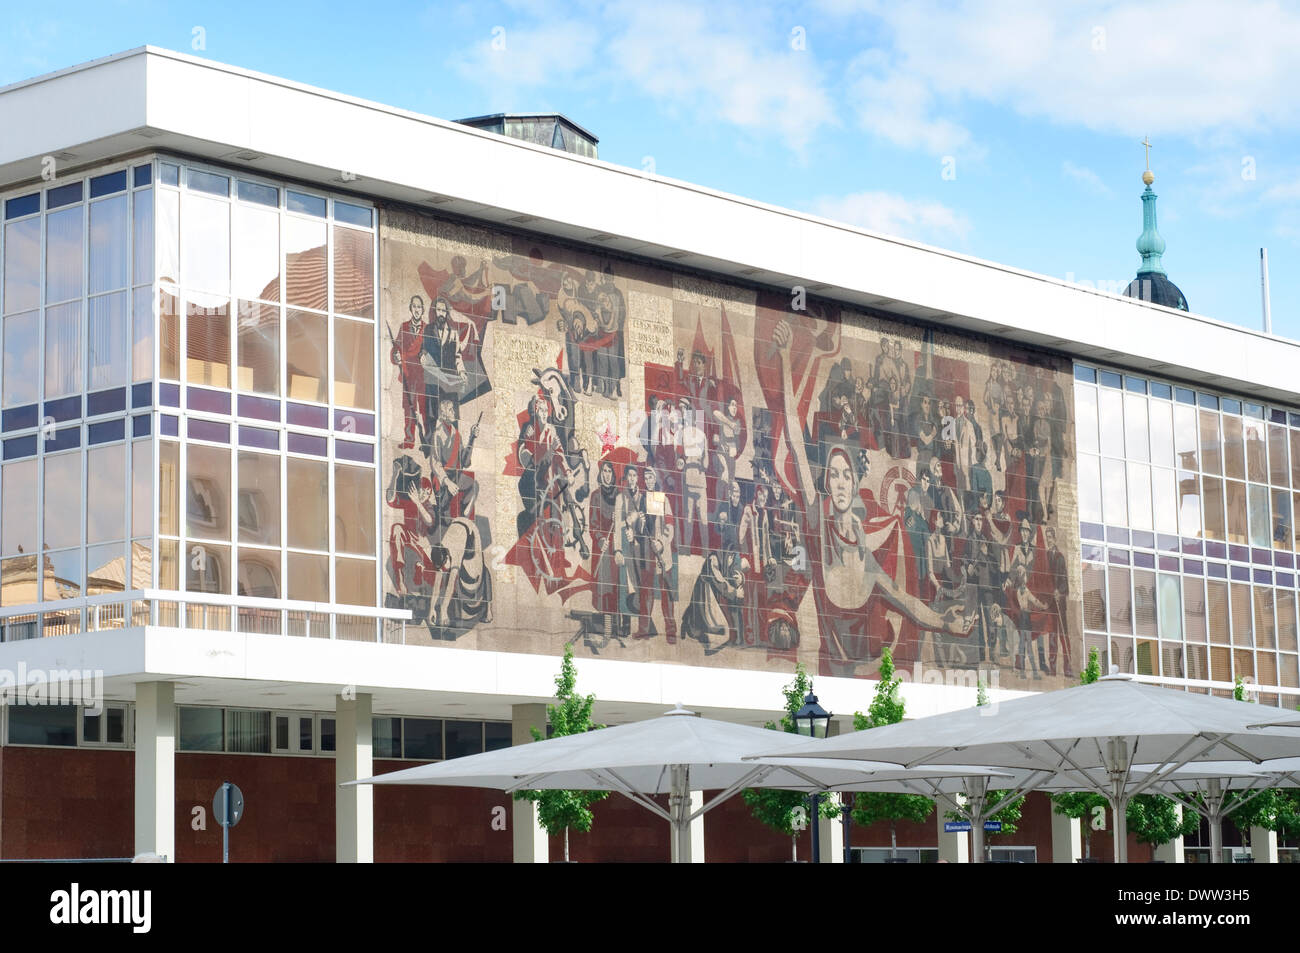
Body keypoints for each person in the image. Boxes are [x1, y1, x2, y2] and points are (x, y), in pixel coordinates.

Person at [770, 320, 973, 671]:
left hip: (872, 686)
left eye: (846, 474)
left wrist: (945, 623)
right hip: (828, 685)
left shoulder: (869, 566)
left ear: (853, 482)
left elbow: (908, 603)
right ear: (827, 485)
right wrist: (787, 359)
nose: (840, 480)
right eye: (833, 474)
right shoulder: (818, 524)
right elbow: (792, 432)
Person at [588, 460, 623, 642]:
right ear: (601, 474)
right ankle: (605, 630)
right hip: (602, 548)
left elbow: (625, 522)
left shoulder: (620, 496)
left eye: (610, 471)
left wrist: (620, 516)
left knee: (615, 588)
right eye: (604, 471)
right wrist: (600, 538)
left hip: (615, 549)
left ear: (613, 474)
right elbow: (592, 524)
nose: (607, 474)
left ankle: (613, 630)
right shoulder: (595, 495)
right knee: (602, 588)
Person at [429, 398, 479, 519]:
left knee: (474, 485)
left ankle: (464, 515)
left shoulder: (457, 435)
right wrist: (448, 482)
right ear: (443, 413)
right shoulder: (438, 434)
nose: (454, 413)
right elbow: (435, 462)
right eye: (451, 410)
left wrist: (472, 438)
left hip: (456, 476)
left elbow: (465, 461)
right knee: (445, 519)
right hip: (442, 479)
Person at [390, 295, 428, 450]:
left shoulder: (427, 328)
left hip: (423, 375)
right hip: (408, 374)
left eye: (419, 307)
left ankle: (428, 441)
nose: (417, 310)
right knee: (409, 407)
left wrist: (425, 354)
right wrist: (396, 355)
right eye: (414, 306)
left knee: (424, 408)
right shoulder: (404, 327)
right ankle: (409, 439)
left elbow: (431, 348)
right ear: (411, 308)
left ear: (423, 309)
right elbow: (397, 347)